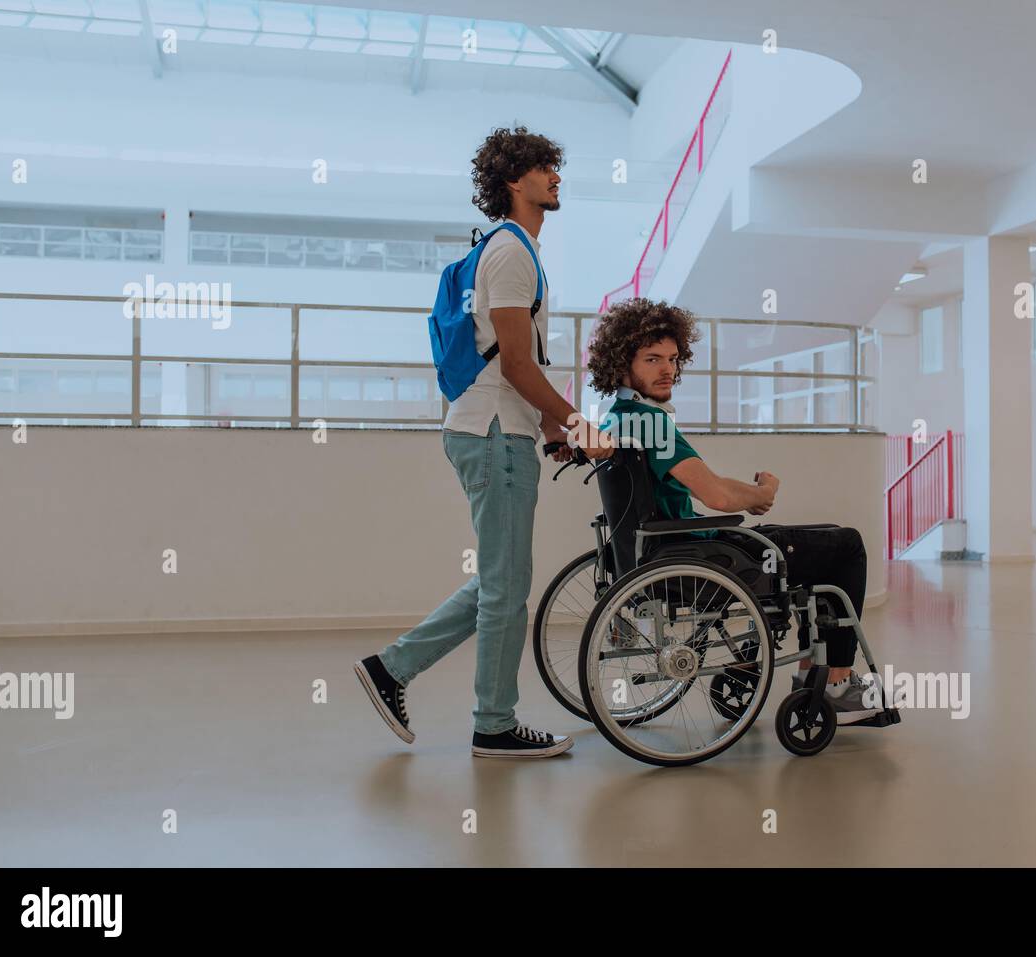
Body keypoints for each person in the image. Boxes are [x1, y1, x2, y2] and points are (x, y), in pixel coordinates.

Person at [355, 126, 612, 758]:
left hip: (496, 428)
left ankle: (391, 670)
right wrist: (578, 422)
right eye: (541, 167)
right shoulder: (511, 253)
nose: (555, 175)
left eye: (557, 164)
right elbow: (520, 367)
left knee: (500, 580)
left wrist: (550, 426)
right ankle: (492, 726)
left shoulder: (506, 250)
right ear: (510, 182)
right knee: (505, 587)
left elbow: (506, 362)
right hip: (494, 434)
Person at [586, 298, 878, 723]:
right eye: (652, 359)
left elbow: (713, 485)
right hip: (689, 553)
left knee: (824, 536)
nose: (667, 369)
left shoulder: (617, 419)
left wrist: (750, 494)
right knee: (846, 545)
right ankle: (834, 680)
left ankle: (810, 674)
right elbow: (718, 498)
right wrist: (761, 494)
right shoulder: (652, 424)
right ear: (621, 364)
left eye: (671, 359)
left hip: (653, 550)